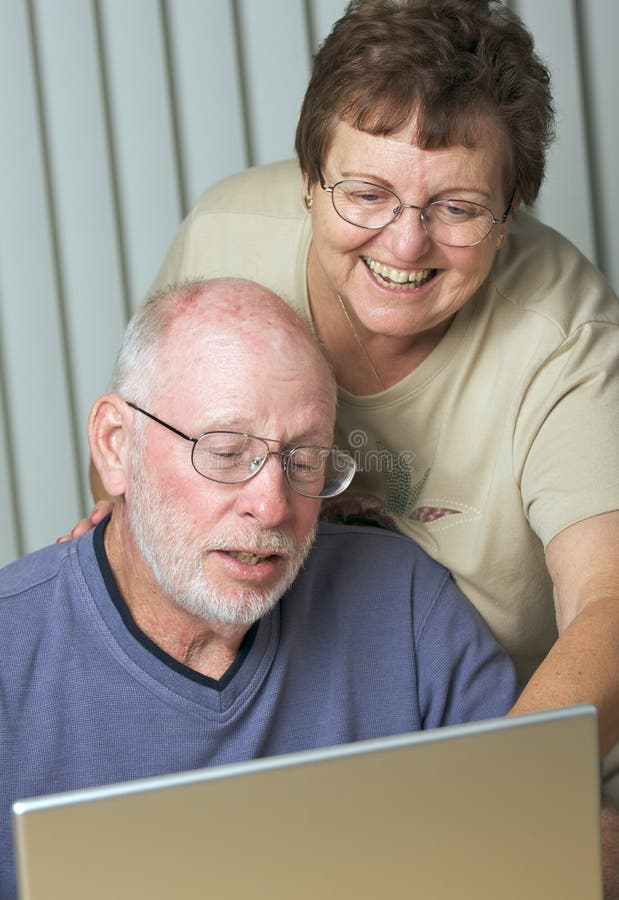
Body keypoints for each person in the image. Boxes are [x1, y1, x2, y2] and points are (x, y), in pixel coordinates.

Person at [78, 0, 619, 796]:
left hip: (508, 736)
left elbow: (607, 601)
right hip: (280, 717)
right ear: (307, 180)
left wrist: (499, 805)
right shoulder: (226, 238)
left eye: (458, 208)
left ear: (509, 216)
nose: (404, 243)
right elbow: (138, 463)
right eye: (365, 194)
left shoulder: (564, 334)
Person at [0, 278, 519, 900]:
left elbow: (556, 827)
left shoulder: (405, 604)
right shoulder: (12, 650)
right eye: (225, 452)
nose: (273, 507)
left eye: (302, 460)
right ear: (117, 447)